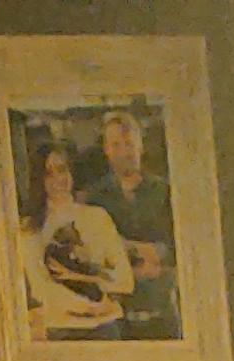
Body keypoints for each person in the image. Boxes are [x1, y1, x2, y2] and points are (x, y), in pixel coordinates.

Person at [22, 133, 132, 338]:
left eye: (62, 170)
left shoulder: (98, 217)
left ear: (71, 172)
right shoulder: (30, 228)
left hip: (106, 325)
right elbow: (41, 288)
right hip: (61, 330)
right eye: (48, 173)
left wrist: (86, 280)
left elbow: (125, 279)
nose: (57, 179)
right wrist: (90, 308)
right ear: (38, 179)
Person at [91, 104, 178, 343]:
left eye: (129, 143)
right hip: (116, 320)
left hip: (163, 313)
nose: (124, 152)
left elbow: (174, 248)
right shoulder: (95, 199)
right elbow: (97, 258)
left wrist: (126, 247)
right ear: (106, 149)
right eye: (116, 145)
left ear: (140, 145)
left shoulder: (165, 191)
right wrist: (141, 254)